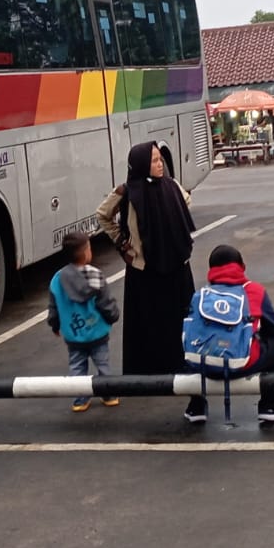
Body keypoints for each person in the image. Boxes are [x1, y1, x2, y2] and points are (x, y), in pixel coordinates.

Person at [96, 142, 196, 375]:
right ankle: (149, 370)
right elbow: (103, 214)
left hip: (177, 264)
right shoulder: (128, 191)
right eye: (154, 161)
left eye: (160, 159)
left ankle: (181, 363)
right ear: (141, 163)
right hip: (144, 268)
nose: (160, 164)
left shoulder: (171, 186)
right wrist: (121, 241)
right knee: (149, 321)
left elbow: (186, 202)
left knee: (178, 318)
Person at [182, 244, 274, 423]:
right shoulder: (254, 291)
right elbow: (273, 329)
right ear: (242, 267)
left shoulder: (200, 295)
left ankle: (196, 408)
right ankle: (270, 405)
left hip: (202, 367)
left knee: (191, 346)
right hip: (239, 365)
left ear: (211, 270)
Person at [46, 231, 121, 412]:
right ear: (86, 252)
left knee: (77, 367)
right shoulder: (96, 276)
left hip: (73, 334)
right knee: (103, 365)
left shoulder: (57, 279)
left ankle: (80, 399)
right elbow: (105, 303)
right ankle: (108, 394)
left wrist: (55, 325)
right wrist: (113, 316)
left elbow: (53, 306)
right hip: (97, 332)